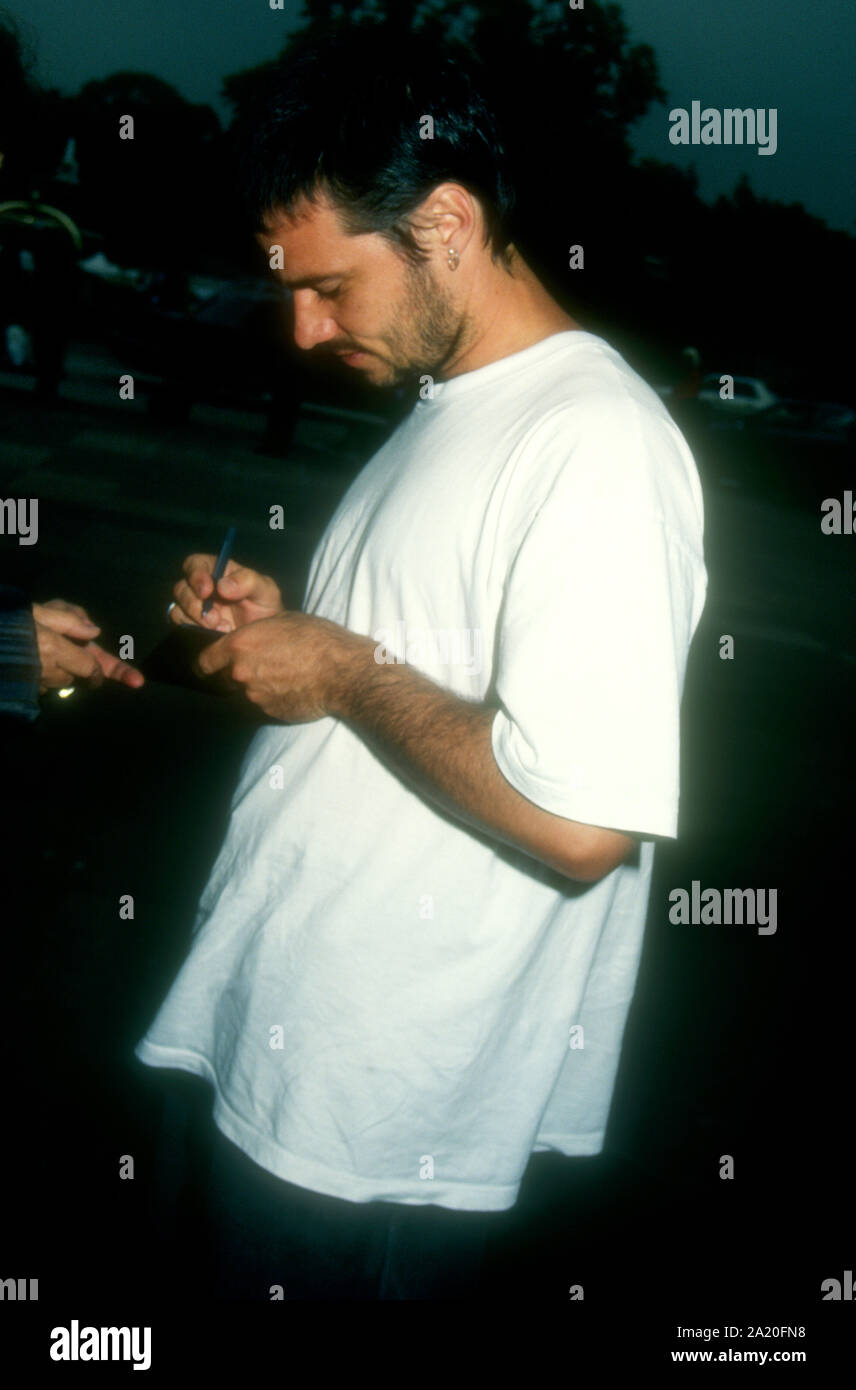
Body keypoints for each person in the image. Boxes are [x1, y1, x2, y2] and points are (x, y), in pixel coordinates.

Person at [134, 31, 707, 1300]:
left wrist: (338, 669)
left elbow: (580, 823)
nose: (302, 329)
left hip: (376, 1140)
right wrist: (278, 635)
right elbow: (405, 679)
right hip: (282, 1059)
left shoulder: (594, 439)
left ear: (446, 221)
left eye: (329, 285)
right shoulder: (451, 406)